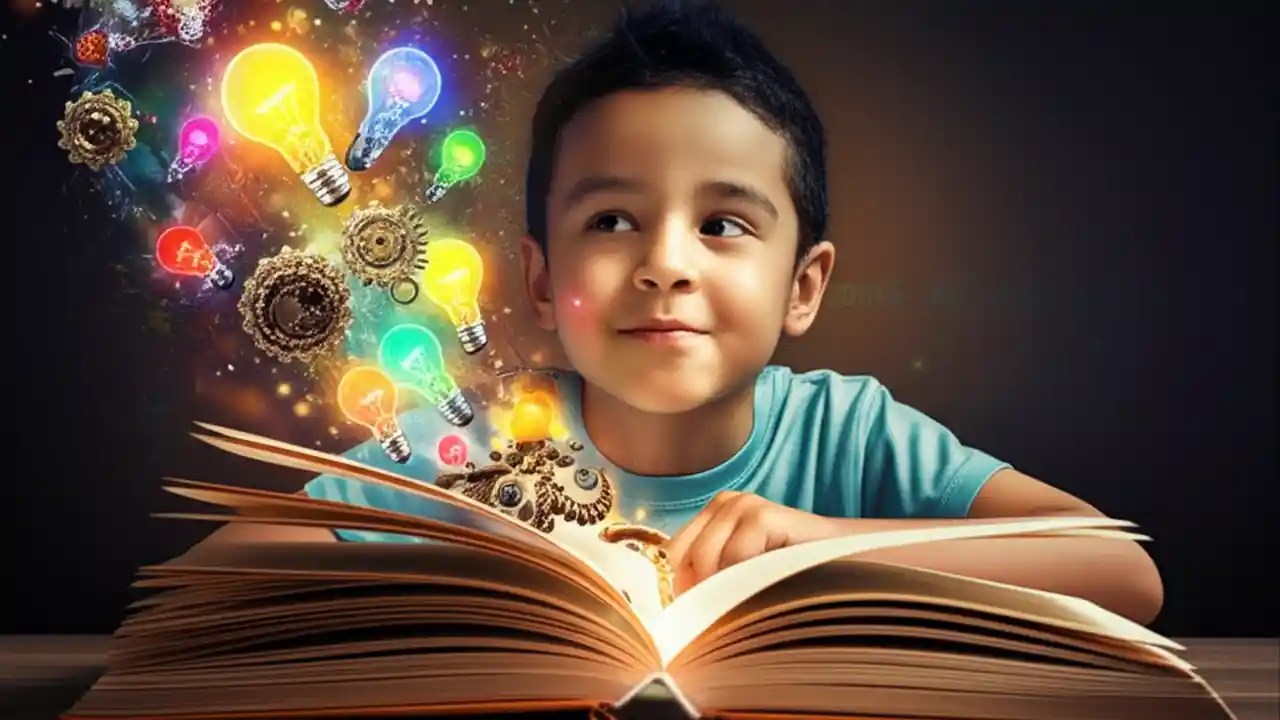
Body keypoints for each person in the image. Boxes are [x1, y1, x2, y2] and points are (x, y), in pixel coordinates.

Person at [196, 0, 1163, 624]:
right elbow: (211, 576)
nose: (664, 265)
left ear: (803, 286)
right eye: (612, 219)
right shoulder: (477, 449)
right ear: (540, 281)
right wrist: (459, 579)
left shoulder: (851, 433)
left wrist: (819, 545)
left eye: (724, 224)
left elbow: (1123, 573)